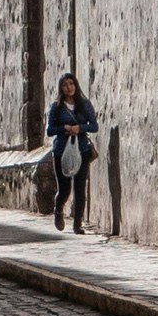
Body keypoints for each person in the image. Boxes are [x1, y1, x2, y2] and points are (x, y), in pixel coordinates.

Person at [42, 75, 100, 236]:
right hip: (62, 151)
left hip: (81, 151)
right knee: (65, 189)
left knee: (80, 189)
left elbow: (94, 126)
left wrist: (80, 128)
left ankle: (77, 224)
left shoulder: (85, 105)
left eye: (72, 83)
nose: (69, 87)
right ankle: (59, 208)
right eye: (65, 85)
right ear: (61, 88)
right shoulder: (57, 107)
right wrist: (65, 128)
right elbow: (50, 130)